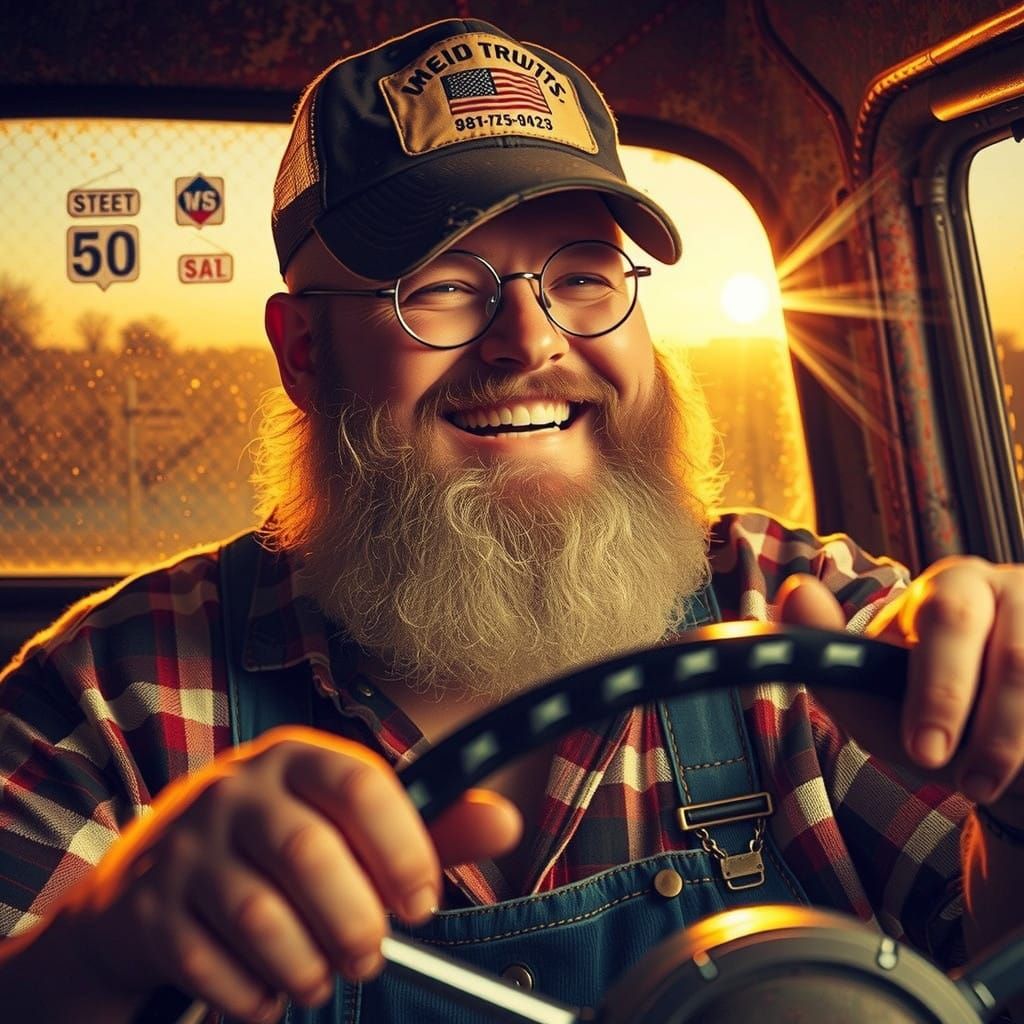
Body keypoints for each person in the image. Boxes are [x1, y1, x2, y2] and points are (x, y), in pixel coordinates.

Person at [0, 16, 1022, 1024]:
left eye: (582, 277)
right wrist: (101, 945)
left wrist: (1014, 794)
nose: (530, 340)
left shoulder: (808, 619)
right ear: (304, 352)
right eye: (442, 286)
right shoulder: (111, 700)